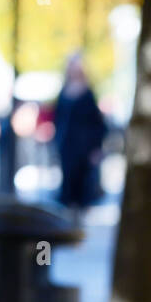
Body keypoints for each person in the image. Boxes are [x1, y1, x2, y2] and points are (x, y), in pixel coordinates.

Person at [53, 54, 107, 212]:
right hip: (66, 146)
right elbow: (58, 118)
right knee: (68, 186)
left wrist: (96, 148)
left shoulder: (88, 93)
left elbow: (97, 123)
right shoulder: (63, 92)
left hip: (84, 149)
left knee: (83, 187)